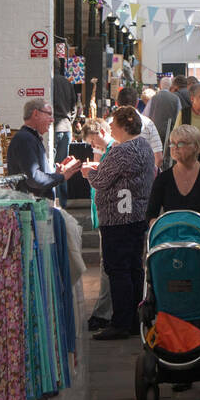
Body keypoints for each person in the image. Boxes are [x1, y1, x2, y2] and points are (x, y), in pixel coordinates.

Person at [81, 106, 155, 341]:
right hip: (137, 215)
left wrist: (87, 172)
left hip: (117, 220)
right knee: (134, 268)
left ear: (124, 125)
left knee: (118, 270)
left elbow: (101, 181)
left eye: (113, 123)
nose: (110, 127)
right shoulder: (143, 145)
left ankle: (121, 322)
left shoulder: (121, 151)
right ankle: (134, 319)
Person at [146, 124, 200, 229]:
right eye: (172, 144)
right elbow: (151, 214)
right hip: (173, 238)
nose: (175, 148)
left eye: (181, 144)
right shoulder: (163, 178)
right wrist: (162, 231)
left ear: (195, 146)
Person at [6, 100, 81, 199]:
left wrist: (56, 174)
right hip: (31, 207)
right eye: (49, 114)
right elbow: (34, 178)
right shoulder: (25, 139)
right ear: (36, 114)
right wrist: (61, 176)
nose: (52, 120)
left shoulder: (30, 137)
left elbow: (36, 177)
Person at [81, 119, 114, 331]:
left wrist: (91, 173)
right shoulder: (109, 150)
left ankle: (103, 313)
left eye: (94, 141)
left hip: (110, 216)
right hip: (106, 215)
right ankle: (105, 312)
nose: (95, 146)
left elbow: (105, 181)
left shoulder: (113, 149)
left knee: (107, 266)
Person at [114, 87, 163, 167]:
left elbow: (99, 157)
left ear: (117, 102)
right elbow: (158, 158)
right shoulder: (148, 123)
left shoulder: (109, 124)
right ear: (137, 103)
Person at [51, 59, 76, 207]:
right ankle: (63, 202)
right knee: (63, 166)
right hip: (66, 127)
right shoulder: (67, 83)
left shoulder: (49, 82)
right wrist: (70, 120)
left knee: (53, 166)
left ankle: (55, 201)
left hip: (54, 128)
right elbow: (74, 106)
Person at [145, 76, 181, 146]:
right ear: (171, 86)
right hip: (170, 133)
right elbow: (179, 116)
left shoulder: (153, 98)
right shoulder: (176, 99)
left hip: (155, 133)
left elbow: (146, 115)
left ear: (160, 86)